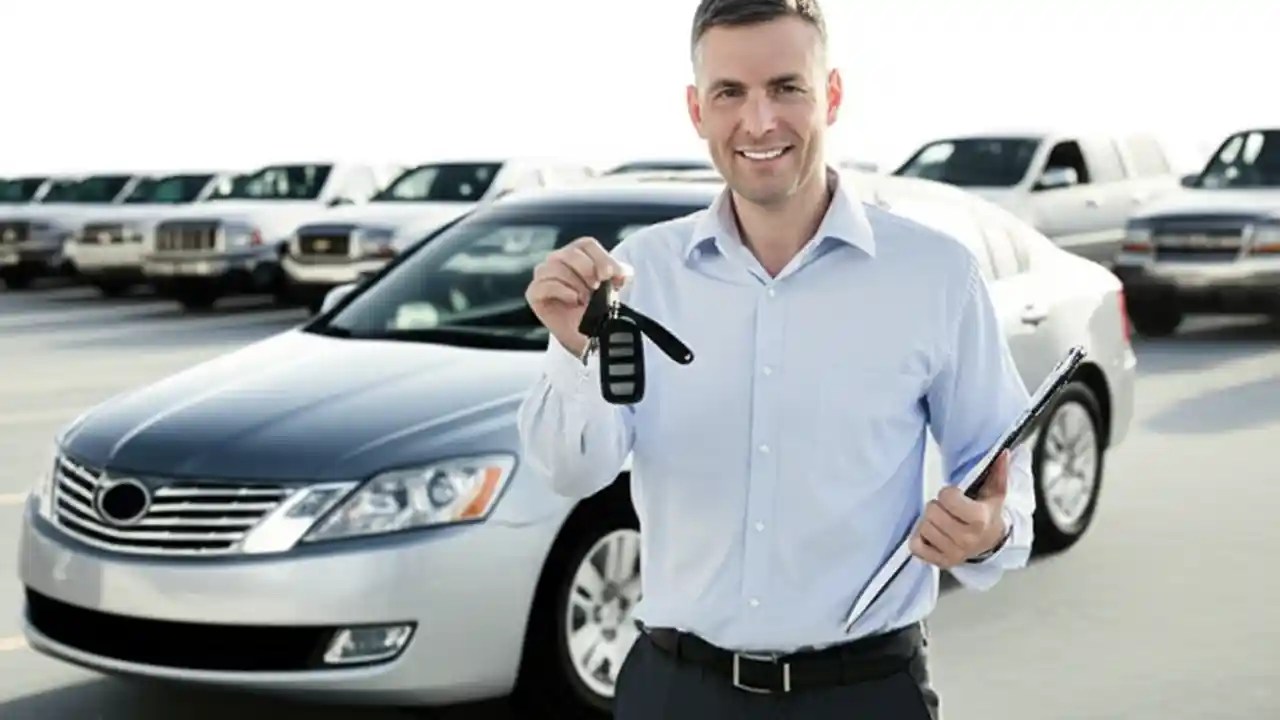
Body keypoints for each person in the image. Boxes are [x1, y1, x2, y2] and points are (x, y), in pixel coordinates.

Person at [517, 0, 1036, 716]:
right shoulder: (639, 275)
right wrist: (573, 350)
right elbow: (572, 469)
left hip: (866, 695)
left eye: (786, 87)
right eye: (730, 92)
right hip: (675, 692)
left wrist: (987, 533)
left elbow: (1003, 481)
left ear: (832, 94)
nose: (759, 122)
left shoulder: (935, 276)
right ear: (698, 109)